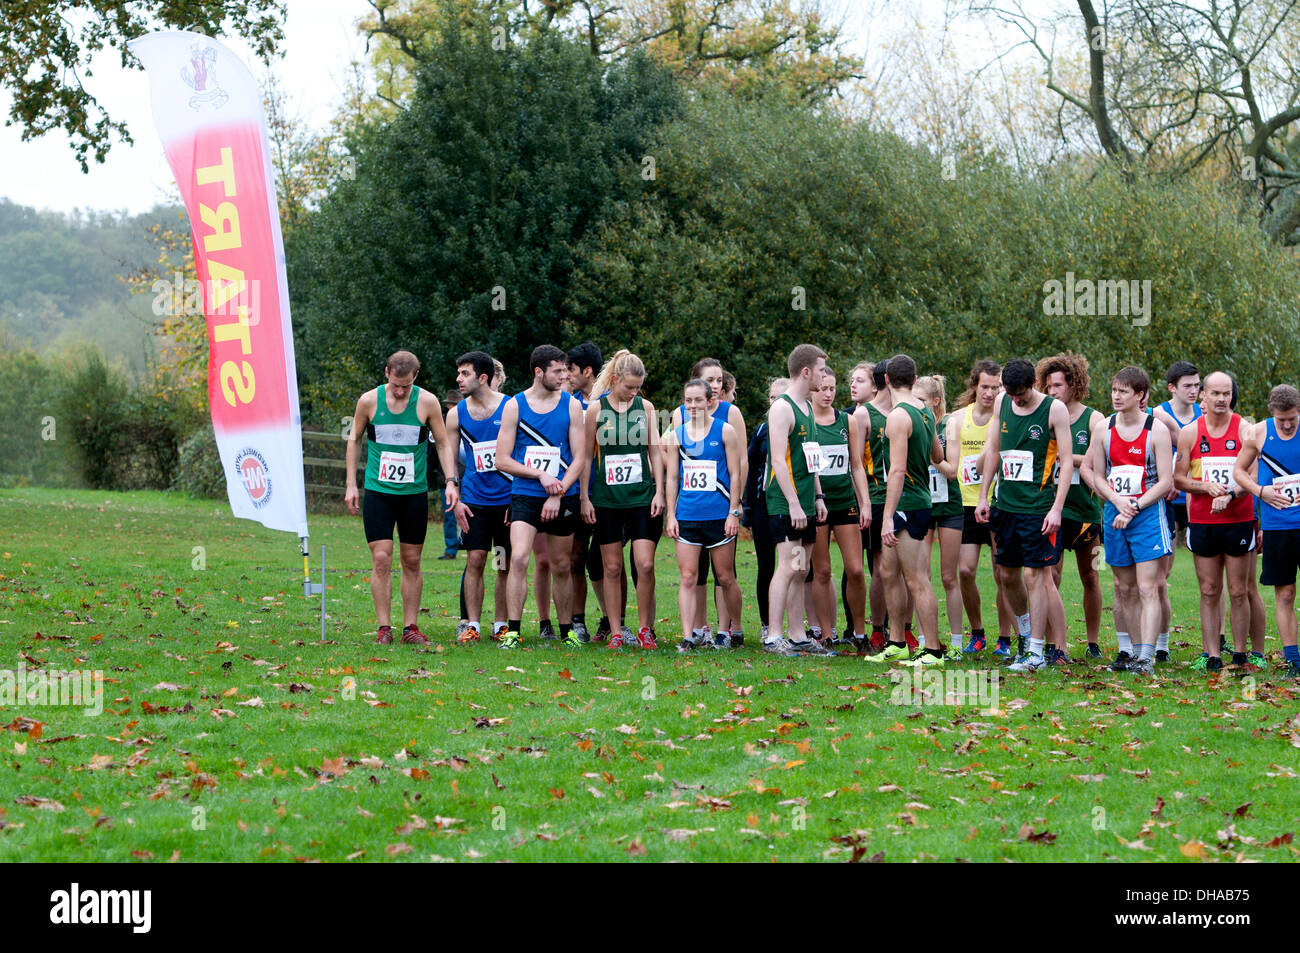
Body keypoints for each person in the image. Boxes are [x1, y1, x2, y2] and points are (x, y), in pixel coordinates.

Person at [344, 350, 459, 645]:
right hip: (379, 492)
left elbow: (444, 444)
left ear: (415, 378)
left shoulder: (428, 402)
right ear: (386, 373)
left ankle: (411, 627)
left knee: (411, 560)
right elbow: (354, 439)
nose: (399, 391)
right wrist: (351, 484)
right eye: (395, 384)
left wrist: (450, 480)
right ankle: (384, 628)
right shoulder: (369, 401)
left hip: (413, 494)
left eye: (405, 386)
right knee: (381, 559)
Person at [975, 357, 1074, 673]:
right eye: (1012, 393)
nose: (1016, 399)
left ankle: (1036, 652)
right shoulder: (1003, 401)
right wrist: (982, 495)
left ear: (1034, 385)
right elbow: (993, 449)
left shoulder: (1053, 409)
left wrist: (1057, 509)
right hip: (1005, 505)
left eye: (1021, 394)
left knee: (1037, 576)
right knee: (1006, 575)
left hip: (1038, 508)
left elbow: (1068, 462)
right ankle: (1026, 632)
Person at [494, 345, 588, 649]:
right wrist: (540, 476)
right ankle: (513, 630)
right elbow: (502, 459)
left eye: (566, 370)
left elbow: (579, 459)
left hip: (564, 495)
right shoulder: (515, 406)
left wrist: (558, 490)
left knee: (561, 564)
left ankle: (566, 632)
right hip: (525, 494)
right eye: (557, 371)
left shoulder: (572, 406)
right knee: (519, 558)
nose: (564, 376)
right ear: (538, 372)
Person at [1085, 366, 1173, 675]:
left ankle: (1147, 658)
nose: (1116, 396)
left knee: (1148, 587)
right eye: (1114, 390)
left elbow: (1165, 481)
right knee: (1124, 588)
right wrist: (1118, 502)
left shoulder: (1156, 430)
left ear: (1141, 396)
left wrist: (1133, 505)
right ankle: (1135, 653)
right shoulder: (1103, 429)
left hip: (1147, 514)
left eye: (1123, 391)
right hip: (1114, 512)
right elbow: (1096, 474)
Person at [581, 350, 664, 649]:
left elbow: (655, 450)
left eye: (638, 388)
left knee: (644, 565)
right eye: (629, 387)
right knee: (611, 568)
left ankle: (645, 629)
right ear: (615, 380)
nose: (633, 392)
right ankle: (616, 630)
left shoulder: (647, 408)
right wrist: (584, 499)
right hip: (607, 501)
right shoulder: (595, 410)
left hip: (642, 498)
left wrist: (660, 492)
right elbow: (586, 458)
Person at [867, 355, 945, 666]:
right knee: (888, 572)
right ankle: (897, 642)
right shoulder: (925, 409)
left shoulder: (898, 417)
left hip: (908, 505)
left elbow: (897, 472)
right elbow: (937, 453)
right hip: (913, 501)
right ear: (913, 380)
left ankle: (934, 650)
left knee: (916, 579)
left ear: (885, 380)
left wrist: (887, 516)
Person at [1175, 371, 1256, 672]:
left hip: (1238, 518)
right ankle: (1212, 654)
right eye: (1215, 393)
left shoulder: (1246, 430)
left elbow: (1254, 476)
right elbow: (1179, 478)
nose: (1221, 399)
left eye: (1226, 394)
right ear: (1203, 397)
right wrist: (1205, 487)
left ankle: (1238, 654)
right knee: (1209, 590)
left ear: (1232, 395)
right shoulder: (1190, 432)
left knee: (1238, 590)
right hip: (1203, 520)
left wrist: (1232, 494)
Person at [762, 344, 834, 656]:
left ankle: (797, 634)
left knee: (802, 568)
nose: (824, 376)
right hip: (784, 501)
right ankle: (773, 636)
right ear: (805, 371)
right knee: (788, 566)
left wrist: (817, 496)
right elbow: (778, 460)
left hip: (806, 501)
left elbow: (811, 457)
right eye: (821, 370)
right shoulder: (783, 407)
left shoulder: (807, 407)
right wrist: (792, 501)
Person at [671, 358, 748, 645]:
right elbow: (672, 475)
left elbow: (738, 468)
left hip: (720, 511)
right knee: (690, 576)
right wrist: (671, 513)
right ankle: (691, 634)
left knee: (725, 577)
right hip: (689, 512)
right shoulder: (678, 428)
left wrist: (734, 509)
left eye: (698, 400)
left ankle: (733, 628)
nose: (693, 405)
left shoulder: (726, 425)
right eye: (688, 401)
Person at [1037, 353, 1105, 661]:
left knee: (1092, 576)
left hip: (1088, 513)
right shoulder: (1044, 416)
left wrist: (1066, 457)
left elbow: (1095, 462)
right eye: (1048, 386)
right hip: (1052, 510)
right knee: (1051, 574)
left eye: (1058, 385)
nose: (1052, 392)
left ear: (1074, 385)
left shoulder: (1093, 418)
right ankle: (1053, 642)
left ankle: (1092, 641)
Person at [947, 359, 1015, 656]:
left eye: (996, 387)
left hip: (998, 502)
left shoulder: (1008, 417)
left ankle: (1005, 637)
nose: (989, 392)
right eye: (985, 386)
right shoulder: (958, 419)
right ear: (975, 386)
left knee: (1003, 573)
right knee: (965, 570)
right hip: (965, 503)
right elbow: (952, 465)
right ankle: (977, 632)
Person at [1232, 384, 1300, 680]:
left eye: (1292, 419)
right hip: (1278, 526)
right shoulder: (1258, 433)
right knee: (1284, 593)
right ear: (1272, 412)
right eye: (1281, 419)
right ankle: (1294, 660)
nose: (1286, 425)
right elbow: (1238, 471)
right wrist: (1261, 491)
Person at [447, 351, 511, 644]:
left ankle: (501, 625)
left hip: (510, 499)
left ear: (482, 378)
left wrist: (521, 497)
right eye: (459, 373)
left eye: (465, 373)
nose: (458, 379)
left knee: (504, 563)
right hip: (473, 499)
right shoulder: (455, 413)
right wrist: (454, 492)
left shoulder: (511, 407)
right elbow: (449, 456)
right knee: (475, 560)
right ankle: (471, 625)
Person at [855, 360, 916, 652]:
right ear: (888, 380)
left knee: (910, 570)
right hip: (879, 500)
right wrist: (865, 503)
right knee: (881, 570)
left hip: (909, 498)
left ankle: (905, 631)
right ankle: (878, 630)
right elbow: (856, 464)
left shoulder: (907, 412)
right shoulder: (863, 414)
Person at [809, 368, 870, 649]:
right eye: (823, 388)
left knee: (856, 570)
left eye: (832, 388)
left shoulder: (847, 421)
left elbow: (856, 465)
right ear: (812, 389)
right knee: (821, 572)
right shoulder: (805, 422)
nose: (828, 393)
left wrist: (865, 502)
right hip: (818, 504)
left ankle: (859, 633)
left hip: (846, 502)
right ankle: (826, 634)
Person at [915, 375, 964, 661]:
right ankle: (925, 640)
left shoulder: (950, 425)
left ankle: (956, 643)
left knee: (949, 576)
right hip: (922, 503)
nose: (917, 405)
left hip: (949, 504)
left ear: (935, 401)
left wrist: (933, 455)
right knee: (923, 576)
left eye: (922, 401)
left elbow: (953, 469)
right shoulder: (912, 421)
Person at [564, 341, 607, 642]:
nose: (565, 375)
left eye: (570, 369)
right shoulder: (567, 402)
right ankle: (577, 621)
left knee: (605, 560)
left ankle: (611, 620)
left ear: (587, 371)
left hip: (604, 493)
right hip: (575, 492)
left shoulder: (610, 401)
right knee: (574, 557)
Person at [743, 378, 790, 643]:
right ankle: (766, 624)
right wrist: (748, 507)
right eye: (772, 398)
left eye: (781, 397)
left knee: (795, 568)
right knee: (767, 567)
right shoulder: (761, 431)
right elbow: (751, 471)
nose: (775, 403)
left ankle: (796, 626)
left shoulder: (798, 428)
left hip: (787, 506)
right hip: (762, 507)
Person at [438, 388, 466, 560]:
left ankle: (466, 544)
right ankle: (451, 548)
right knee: (449, 514)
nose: (451, 407)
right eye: (450, 405)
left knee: (469, 513)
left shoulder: (469, 421)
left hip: (467, 476)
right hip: (447, 478)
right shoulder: (440, 425)